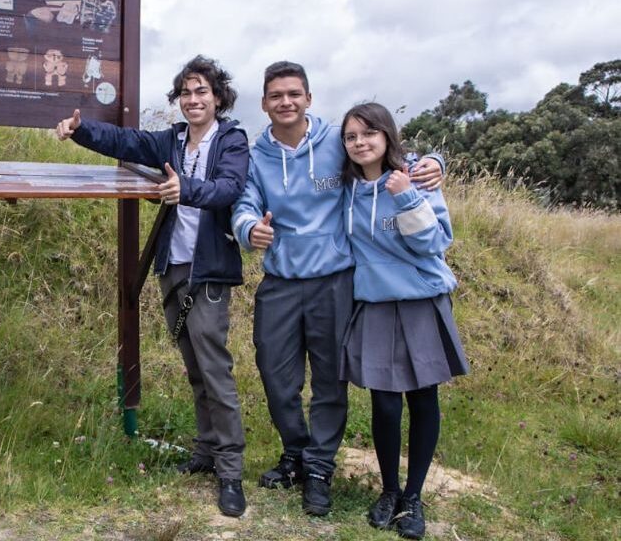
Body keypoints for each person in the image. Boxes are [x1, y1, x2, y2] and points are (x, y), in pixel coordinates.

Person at [231, 62, 444, 516]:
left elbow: (388, 155)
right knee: (275, 375)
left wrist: (433, 162)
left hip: (335, 281)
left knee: (330, 380)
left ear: (309, 98)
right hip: (281, 280)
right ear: (264, 103)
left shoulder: (337, 140)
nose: (285, 102)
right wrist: (249, 228)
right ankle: (295, 453)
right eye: (275, 95)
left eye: (294, 93)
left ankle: (319, 469)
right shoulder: (256, 155)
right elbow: (245, 202)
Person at [55, 56, 249, 517]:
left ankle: (231, 472)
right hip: (173, 267)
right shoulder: (173, 140)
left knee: (214, 368)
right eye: (185, 92)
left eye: (201, 91)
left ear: (218, 97)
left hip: (208, 272)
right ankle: (206, 451)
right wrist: (82, 131)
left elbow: (229, 188)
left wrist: (187, 191)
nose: (193, 99)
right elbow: (129, 141)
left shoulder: (232, 140)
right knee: (194, 364)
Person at [338, 103, 468, 540]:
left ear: (387, 136)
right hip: (375, 302)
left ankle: (414, 497)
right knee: (385, 403)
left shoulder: (415, 179)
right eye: (351, 136)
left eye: (369, 133)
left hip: (420, 300)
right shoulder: (346, 187)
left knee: (423, 399)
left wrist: (408, 194)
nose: (360, 142)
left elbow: (435, 242)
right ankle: (389, 490)